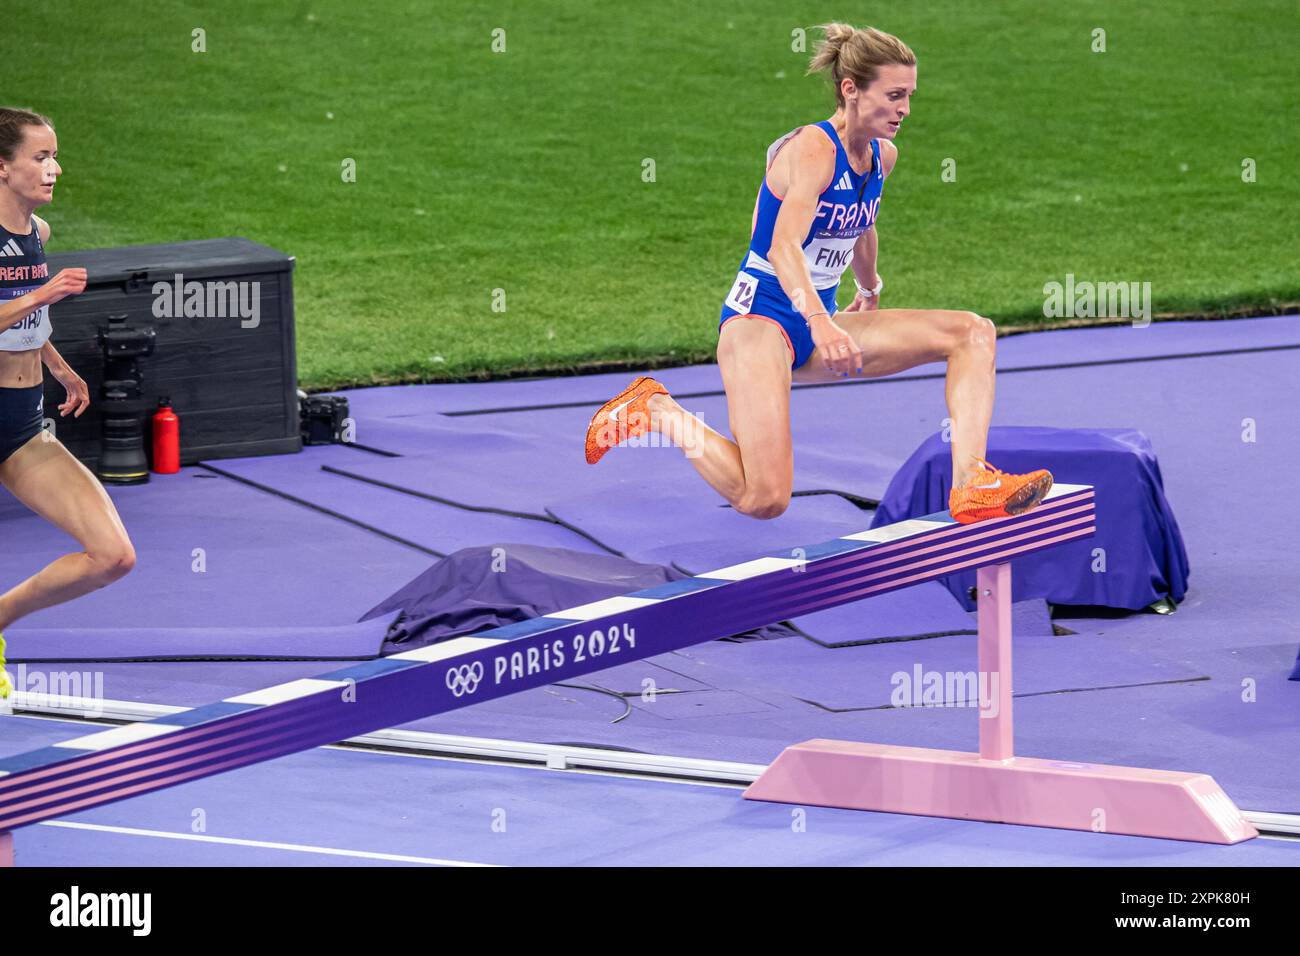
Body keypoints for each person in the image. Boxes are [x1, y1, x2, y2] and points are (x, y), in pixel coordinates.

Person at [585, 23, 1051, 527]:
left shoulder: (881, 156)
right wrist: (820, 322)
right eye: (895, 96)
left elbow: (862, 223)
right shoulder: (812, 149)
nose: (905, 110)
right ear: (851, 89)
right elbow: (784, 244)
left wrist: (869, 287)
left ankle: (972, 482)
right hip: (760, 322)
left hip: (818, 320)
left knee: (972, 332)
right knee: (764, 499)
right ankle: (659, 410)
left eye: (910, 96)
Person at [0, 107, 136, 699]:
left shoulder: (37, 233)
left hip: (20, 421)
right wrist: (47, 291)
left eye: (54, 156)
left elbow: (24, 315)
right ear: (2, 167)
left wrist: (58, 366)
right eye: (41, 157)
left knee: (112, 556)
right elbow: (25, 300)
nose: (55, 168)